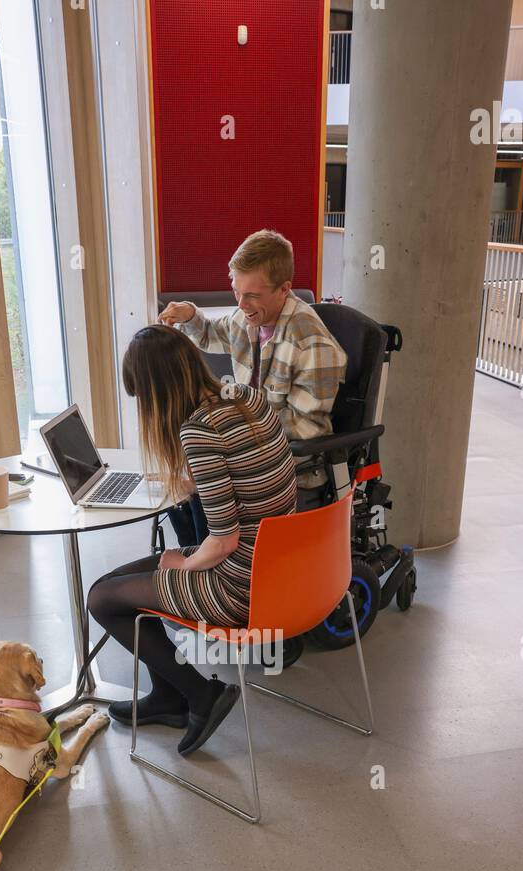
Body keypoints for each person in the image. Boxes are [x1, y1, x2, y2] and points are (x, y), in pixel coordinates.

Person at [87, 326, 297, 757]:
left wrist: (180, 565)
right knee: (121, 580)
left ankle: (200, 695)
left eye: (144, 397)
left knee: (102, 600)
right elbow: (246, 479)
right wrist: (193, 484)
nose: (145, 408)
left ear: (159, 390)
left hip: (239, 584)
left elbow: (222, 541)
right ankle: (167, 699)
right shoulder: (243, 395)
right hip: (281, 568)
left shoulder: (199, 432)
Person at [158, 228, 347, 538]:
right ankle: (198, 560)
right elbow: (209, 333)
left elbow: (306, 428)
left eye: (252, 295)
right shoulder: (248, 318)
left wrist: (236, 432)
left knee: (203, 481)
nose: (242, 304)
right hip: (257, 448)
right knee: (183, 484)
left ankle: (216, 566)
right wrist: (190, 314)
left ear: (284, 289)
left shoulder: (312, 344)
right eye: (237, 291)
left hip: (293, 467)